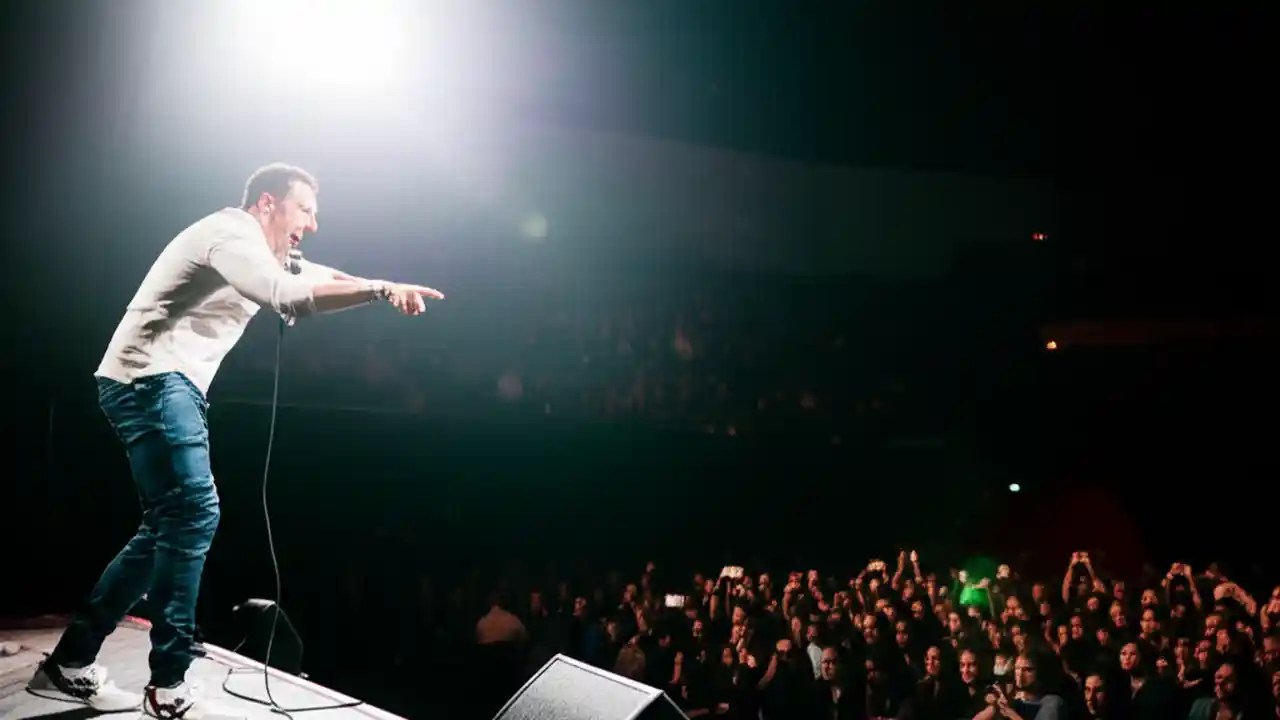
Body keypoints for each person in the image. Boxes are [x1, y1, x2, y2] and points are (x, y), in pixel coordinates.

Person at [27, 163, 444, 719]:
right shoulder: (232, 235)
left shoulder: (266, 249)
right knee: (195, 513)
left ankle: (70, 664)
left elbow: (318, 274)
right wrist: (374, 290)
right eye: (305, 210)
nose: (313, 224)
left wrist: (385, 287)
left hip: (161, 382)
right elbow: (288, 295)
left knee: (167, 524)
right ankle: (168, 682)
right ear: (268, 203)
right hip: (151, 376)